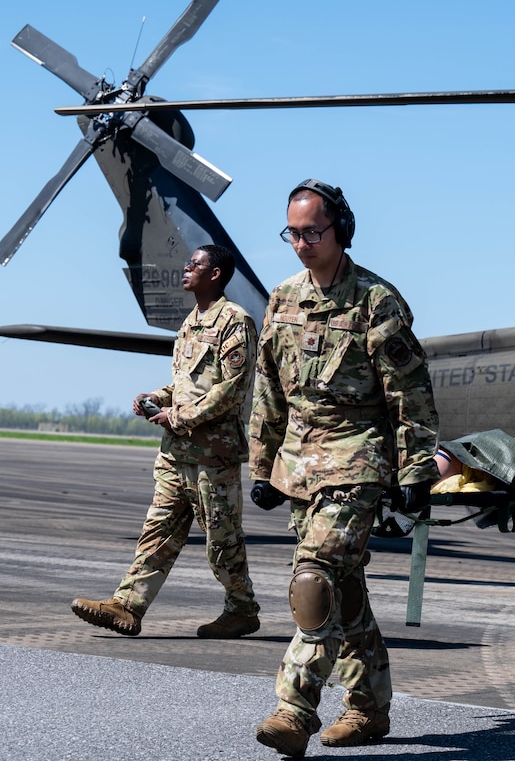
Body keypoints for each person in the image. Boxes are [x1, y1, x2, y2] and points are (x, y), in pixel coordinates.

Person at [250, 179, 439, 758]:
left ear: (342, 231)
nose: (301, 243)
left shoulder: (377, 302)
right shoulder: (282, 299)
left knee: (313, 579)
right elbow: (268, 389)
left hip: (357, 460)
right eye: (293, 233)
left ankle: (293, 709)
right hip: (300, 468)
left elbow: (410, 396)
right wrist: (262, 464)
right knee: (345, 590)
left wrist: (415, 472)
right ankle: (368, 708)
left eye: (312, 232)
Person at [71, 244, 260, 639]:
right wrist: (158, 397)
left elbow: (232, 390)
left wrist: (176, 415)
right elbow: (185, 385)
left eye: (196, 264)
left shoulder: (235, 321)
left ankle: (241, 608)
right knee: (157, 532)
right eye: (188, 262)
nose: (186, 268)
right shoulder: (190, 321)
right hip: (177, 453)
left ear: (216, 275)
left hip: (213, 455)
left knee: (221, 541)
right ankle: (127, 606)